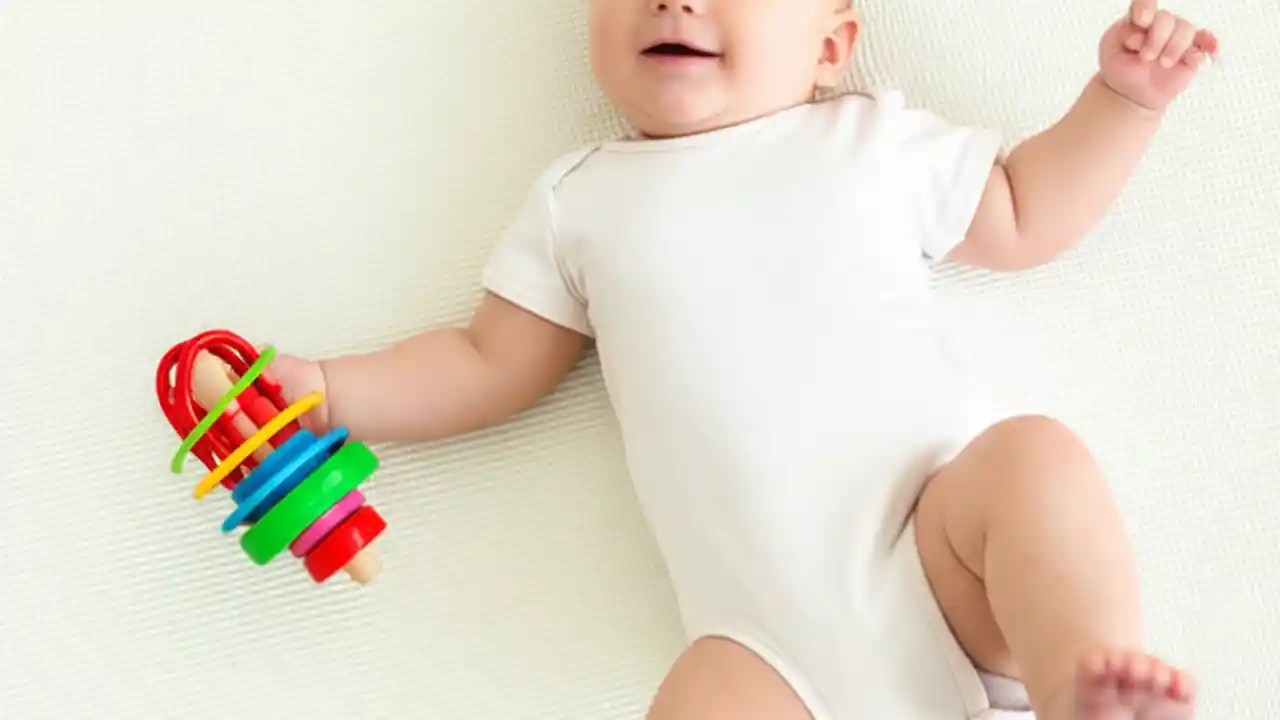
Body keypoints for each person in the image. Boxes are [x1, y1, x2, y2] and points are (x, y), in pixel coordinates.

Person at [266, 1, 1218, 717]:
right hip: (762, 650)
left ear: (830, 46)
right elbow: (485, 363)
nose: (676, 1)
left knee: (1033, 461)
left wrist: (1120, 103)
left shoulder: (868, 141)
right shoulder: (579, 202)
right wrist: (331, 392)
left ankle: (1081, 682)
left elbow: (1022, 210)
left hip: (939, 552)